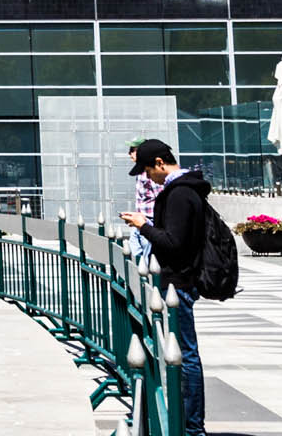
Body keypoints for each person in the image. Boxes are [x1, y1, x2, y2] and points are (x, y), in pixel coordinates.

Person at [119, 138, 211, 436]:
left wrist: (143, 225)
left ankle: (192, 427)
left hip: (179, 284)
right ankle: (187, 423)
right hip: (179, 282)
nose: (147, 178)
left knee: (184, 355)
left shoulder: (180, 194)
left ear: (160, 163)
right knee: (182, 354)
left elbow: (174, 241)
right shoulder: (184, 190)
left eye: (147, 170)